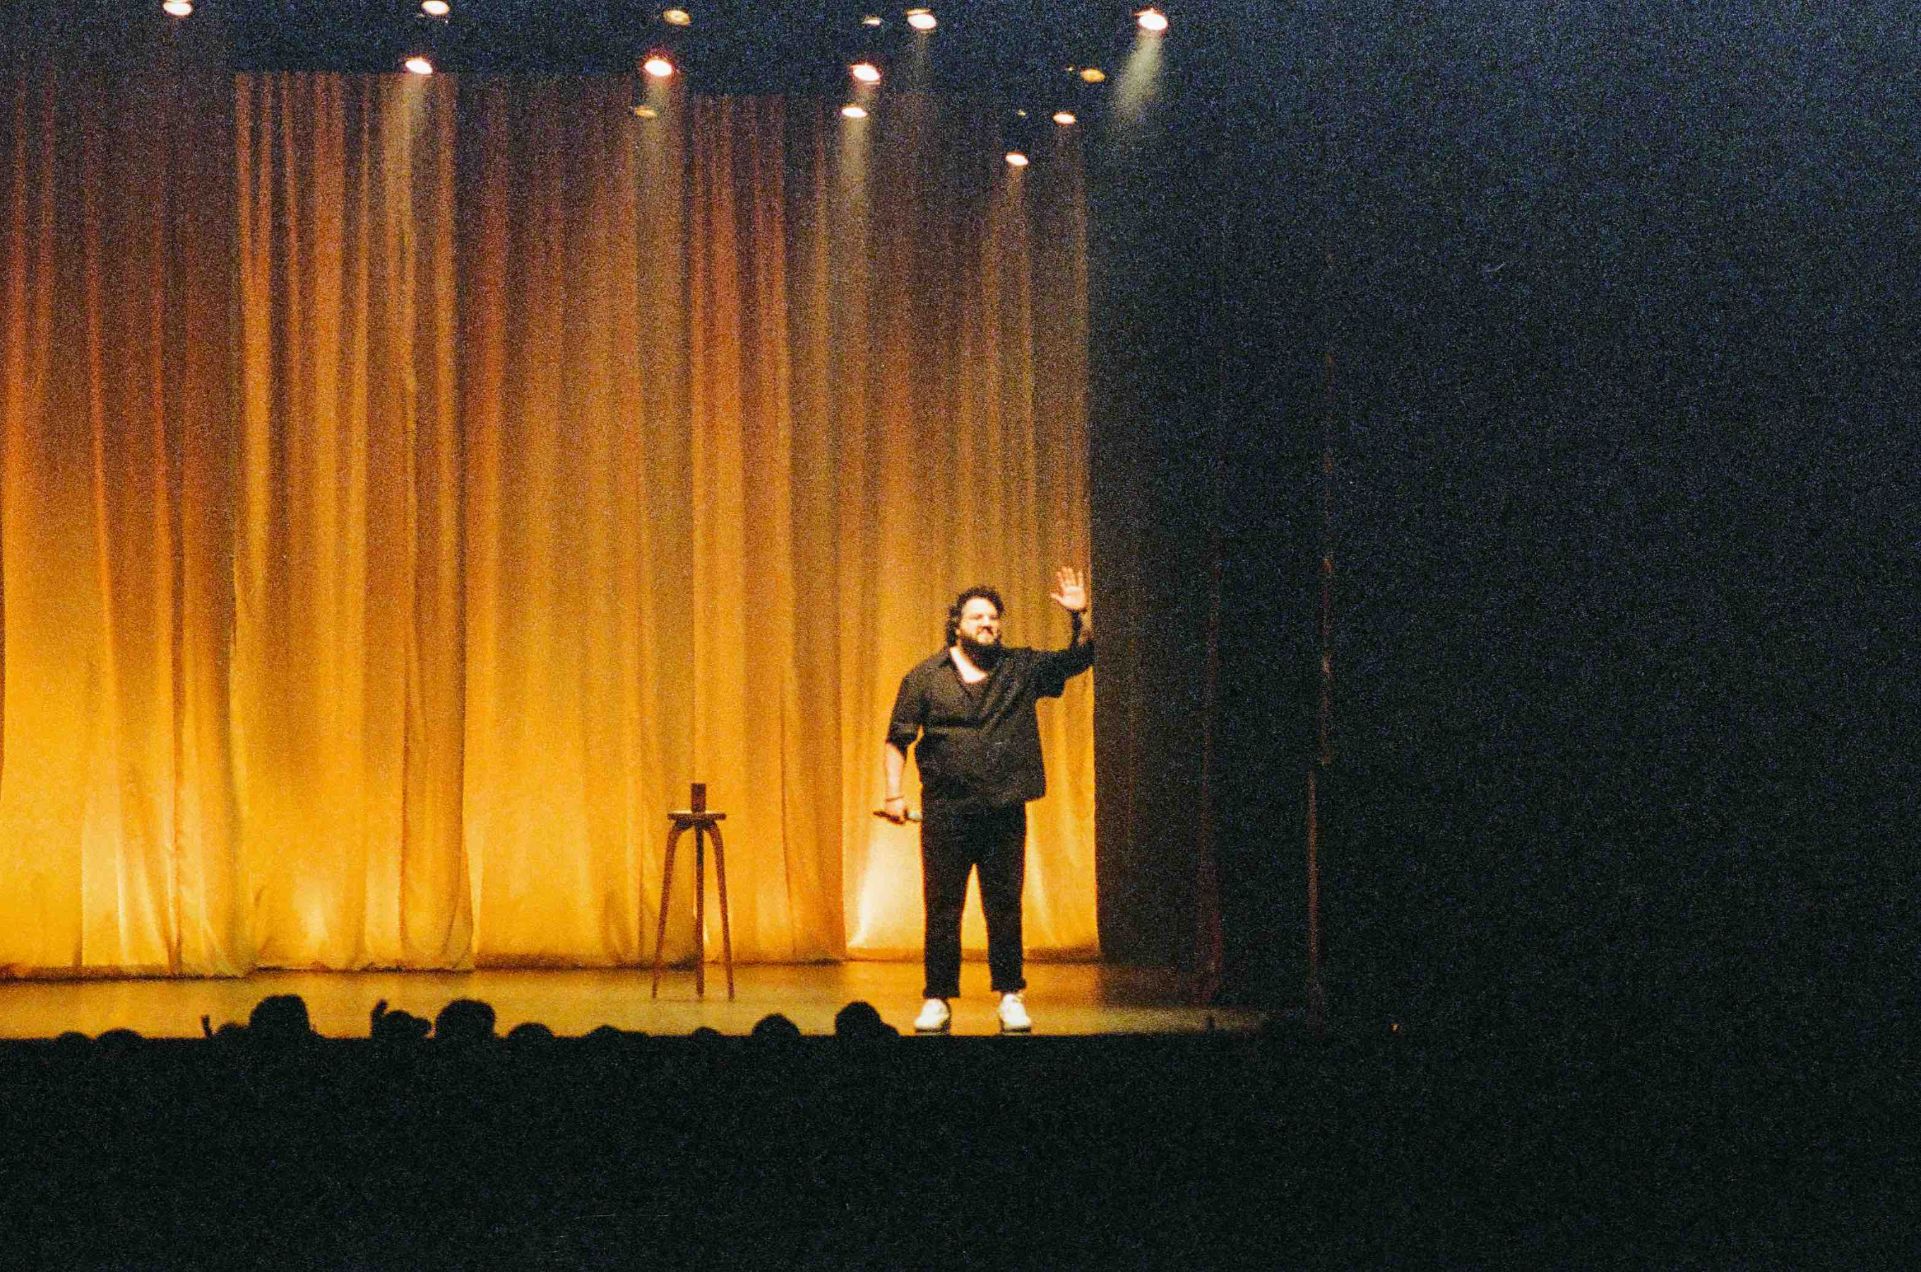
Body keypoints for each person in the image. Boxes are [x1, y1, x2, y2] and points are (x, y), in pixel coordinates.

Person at [880, 567, 1093, 1033]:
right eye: (977, 617)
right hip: (946, 812)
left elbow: (1077, 660)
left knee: (1004, 906)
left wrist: (1079, 618)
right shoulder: (924, 677)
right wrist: (893, 794)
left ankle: (1010, 994)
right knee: (942, 908)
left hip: (1003, 810)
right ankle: (937, 997)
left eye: (993, 617)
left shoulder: (1019, 668)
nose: (987, 624)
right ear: (956, 623)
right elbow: (898, 738)